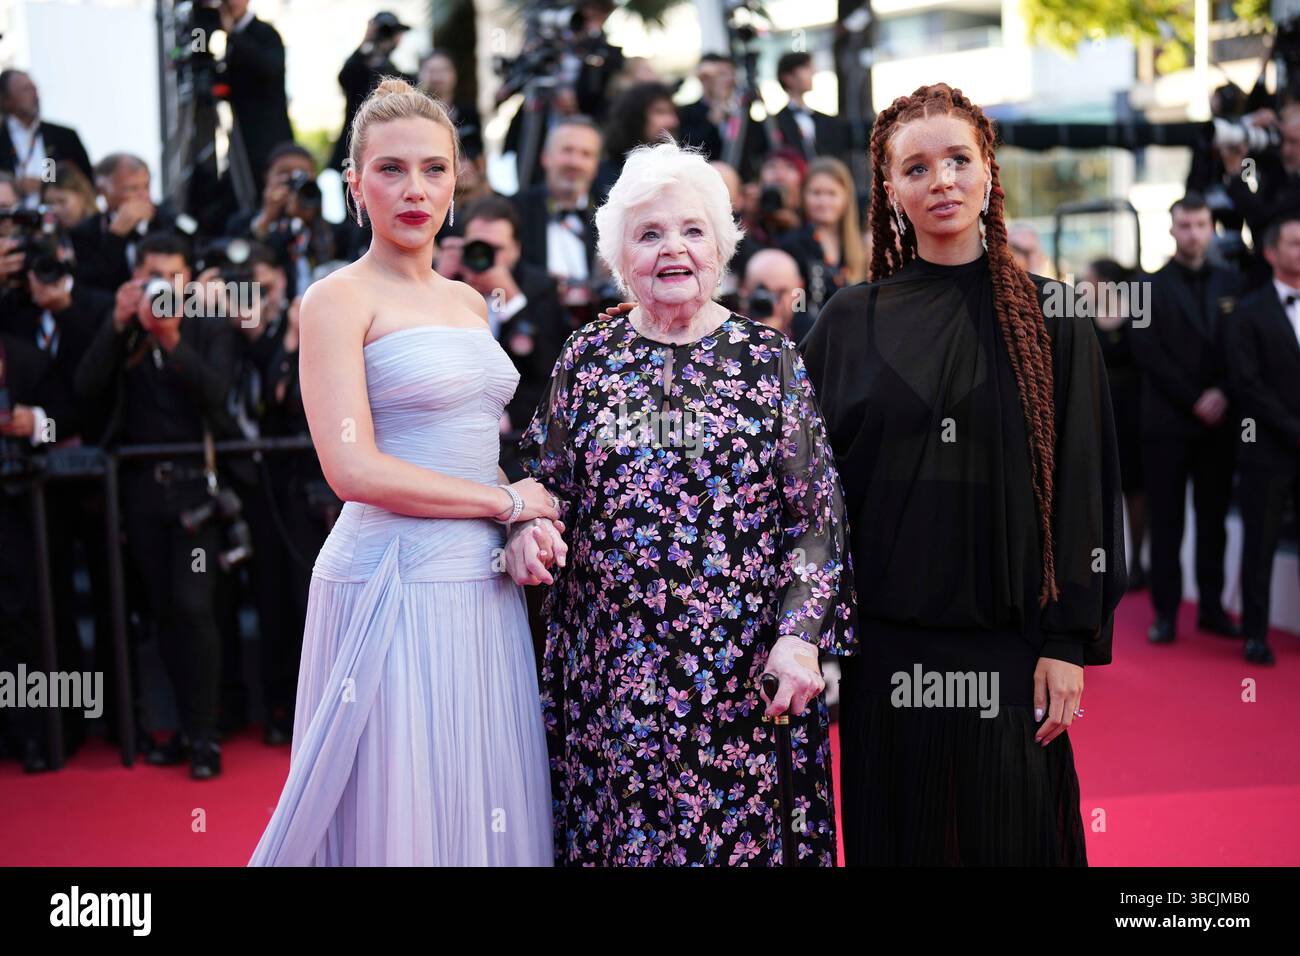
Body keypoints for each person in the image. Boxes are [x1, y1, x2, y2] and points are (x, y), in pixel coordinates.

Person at [801, 82, 1126, 865]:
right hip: (884, 656)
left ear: (989, 172)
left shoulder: (1054, 319)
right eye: (917, 168)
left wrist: (1069, 642)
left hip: (1012, 652)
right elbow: (808, 491)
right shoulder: (851, 318)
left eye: (957, 160)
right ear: (891, 191)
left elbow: (1086, 485)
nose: (940, 180)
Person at [508, 140, 857, 866]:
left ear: (721, 245)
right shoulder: (588, 357)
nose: (674, 249)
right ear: (619, 255)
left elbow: (817, 518)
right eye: (650, 233)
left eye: (693, 230)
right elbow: (543, 481)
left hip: (745, 676)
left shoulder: (769, 360)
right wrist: (528, 524)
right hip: (613, 678)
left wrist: (799, 637)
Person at [247, 77, 556, 866]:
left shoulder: (466, 302)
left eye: (434, 169)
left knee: (478, 795)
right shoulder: (335, 299)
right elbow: (352, 468)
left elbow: (478, 438)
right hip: (388, 577)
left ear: (457, 182)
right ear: (354, 185)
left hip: (480, 584)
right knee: (401, 816)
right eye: (390, 169)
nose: (414, 189)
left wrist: (520, 516)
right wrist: (503, 501)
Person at [74, 233, 239, 780]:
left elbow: (217, 395)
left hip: (196, 491)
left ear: (188, 280)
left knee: (194, 607)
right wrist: (120, 326)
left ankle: (206, 736)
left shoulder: (211, 326)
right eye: (151, 275)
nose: (162, 287)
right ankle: (186, 733)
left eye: (171, 277)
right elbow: (84, 391)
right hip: (140, 491)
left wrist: (171, 340)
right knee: (163, 610)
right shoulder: (123, 331)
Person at [1130, 194, 1243, 644]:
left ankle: (1213, 608)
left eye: (1200, 224)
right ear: (1173, 230)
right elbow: (1147, 354)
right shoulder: (1146, 286)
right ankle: (1165, 613)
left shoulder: (1235, 283)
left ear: (1211, 228)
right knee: (1167, 520)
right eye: (1185, 225)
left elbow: (1245, 349)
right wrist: (1196, 397)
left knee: (1213, 519)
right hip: (1167, 424)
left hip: (1219, 423)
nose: (1193, 233)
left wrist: (1223, 393)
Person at [1225, 215, 1300, 667]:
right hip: (1267, 446)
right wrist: (1292, 428)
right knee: (1261, 542)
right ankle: (1255, 634)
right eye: (1294, 243)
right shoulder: (1249, 311)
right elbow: (1246, 382)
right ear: (1271, 253)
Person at [1084, 258, 1147, 590]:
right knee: (1101, 487)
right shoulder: (1080, 313)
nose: (1084, 283)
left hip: (1133, 411)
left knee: (1135, 488)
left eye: (1089, 278)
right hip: (1095, 408)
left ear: (1106, 281)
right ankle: (1102, 562)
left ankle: (1137, 563)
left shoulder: (1136, 311)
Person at [779, 156, 867, 324]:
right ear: (803, 196)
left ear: (846, 197)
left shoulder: (857, 245)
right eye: (816, 193)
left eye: (831, 194)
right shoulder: (792, 243)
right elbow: (797, 305)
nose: (823, 202)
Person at [0, 69, 93, 205]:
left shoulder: (64, 137)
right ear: (6, 100)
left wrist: (48, 185)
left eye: (35, 88)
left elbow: (87, 182)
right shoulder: (3, 137)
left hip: (59, 221)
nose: (35, 95)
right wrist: (14, 186)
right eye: (26, 89)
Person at [771, 52, 850, 165]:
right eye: (806, 68)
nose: (812, 73)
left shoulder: (827, 121)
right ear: (788, 77)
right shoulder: (775, 123)